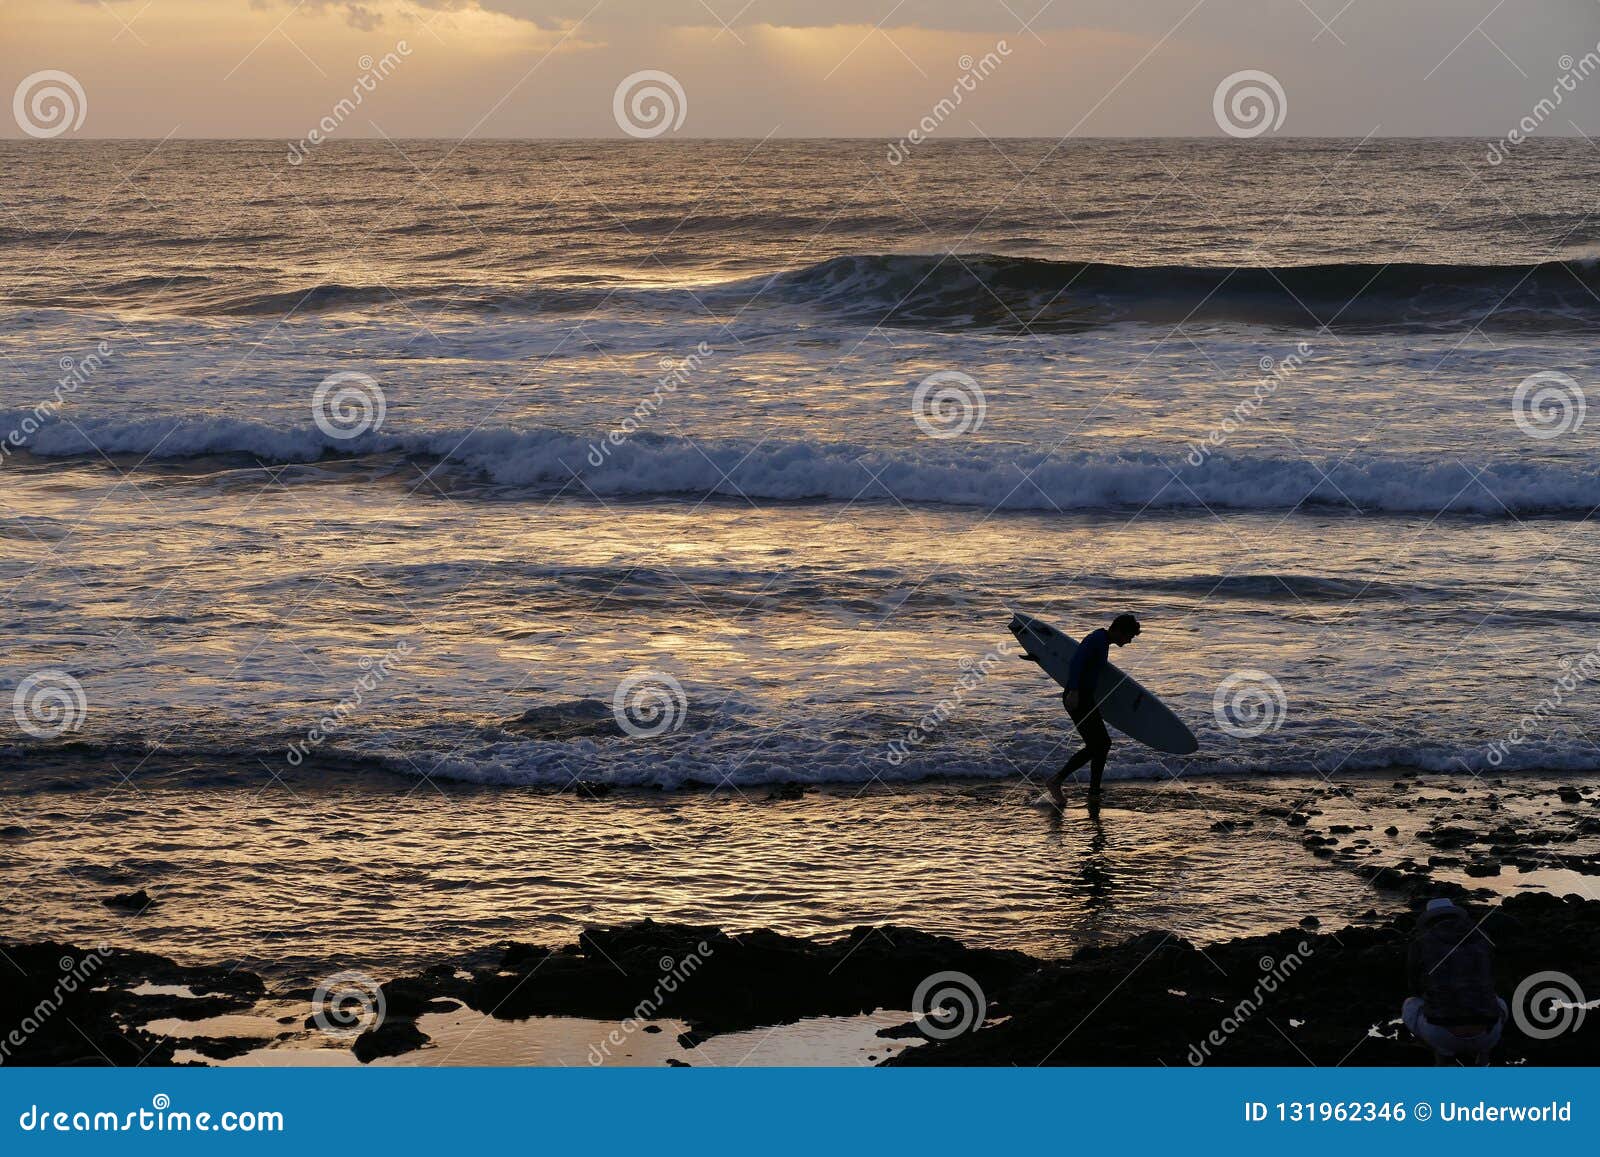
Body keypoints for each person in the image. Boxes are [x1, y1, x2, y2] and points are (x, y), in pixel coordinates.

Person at [1046, 613, 1140, 808]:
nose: (1129, 641)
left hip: (1085, 697)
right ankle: (1057, 781)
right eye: (1129, 636)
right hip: (1078, 697)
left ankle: (1094, 792)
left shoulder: (1102, 641)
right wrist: (1073, 690)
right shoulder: (1097, 639)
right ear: (1119, 631)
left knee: (1101, 744)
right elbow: (1077, 663)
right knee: (1100, 744)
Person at [1402, 897, 1507, 1065]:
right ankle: (1484, 1056)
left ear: (1428, 921)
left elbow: (1413, 987)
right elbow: (1494, 977)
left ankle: (1441, 1056)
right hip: (1488, 1033)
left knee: (1410, 1004)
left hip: (1441, 1033)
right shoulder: (1482, 939)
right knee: (1499, 1001)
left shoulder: (1421, 942)